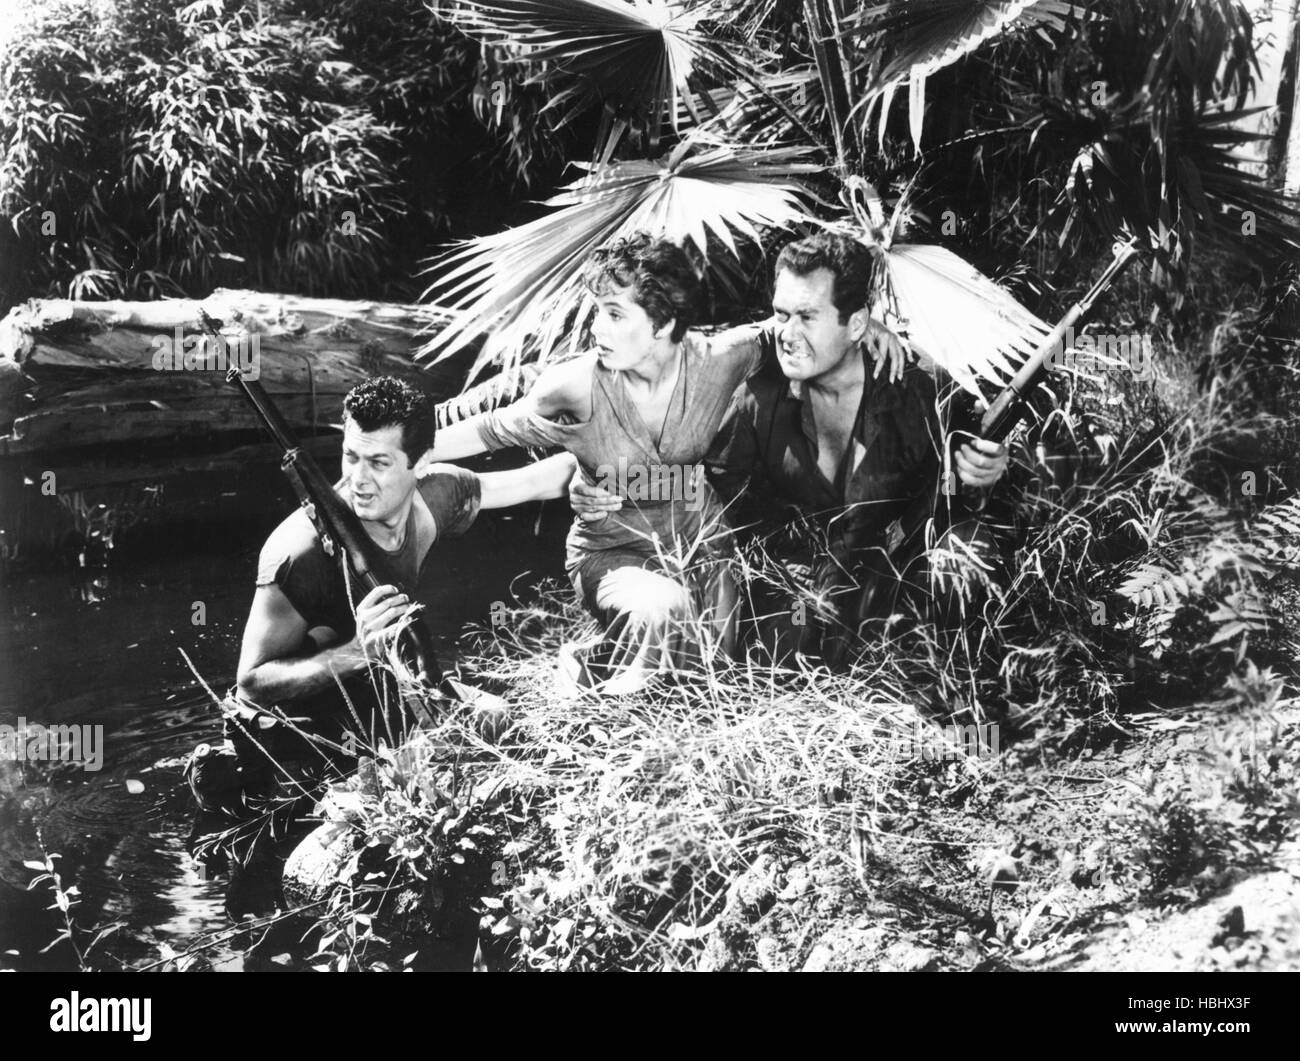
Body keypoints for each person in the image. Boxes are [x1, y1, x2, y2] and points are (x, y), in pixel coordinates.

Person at [427, 233, 906, 693]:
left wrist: (867, 330)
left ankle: (596, 663)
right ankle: (616, 702)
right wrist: (411, 448)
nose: (597, 327)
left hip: (703, 549)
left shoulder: (719, 361)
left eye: (614, 314)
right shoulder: (575, 386)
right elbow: (493, 427)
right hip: (613, 550)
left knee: (715, 681)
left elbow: (790, 330)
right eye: (598, 311)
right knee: (663, 609)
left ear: (661, 325)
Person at [571, 231, 1010, 665]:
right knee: (781, 645)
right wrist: (596, 480)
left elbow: (989, 446)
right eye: (781, 315)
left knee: (965, 555)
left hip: (894, 578)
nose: (787, 333)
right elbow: (703, 483)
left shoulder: (917, 388)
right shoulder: (757, 398)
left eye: (807, 316)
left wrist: (993, 470)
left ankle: (952, 675)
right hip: (804, 585)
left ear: (857, 323)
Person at [210, 375, 577, 804]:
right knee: (403, 780)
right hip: (301, 719)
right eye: (351, 457)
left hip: (384, 684)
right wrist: (353, 653)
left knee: (499, 721)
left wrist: (608, 471)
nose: (358, 480)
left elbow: (541, 480)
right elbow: (252, 684)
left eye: (379, 463)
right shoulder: (297, 554)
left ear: (420, 463)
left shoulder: (437, 494)